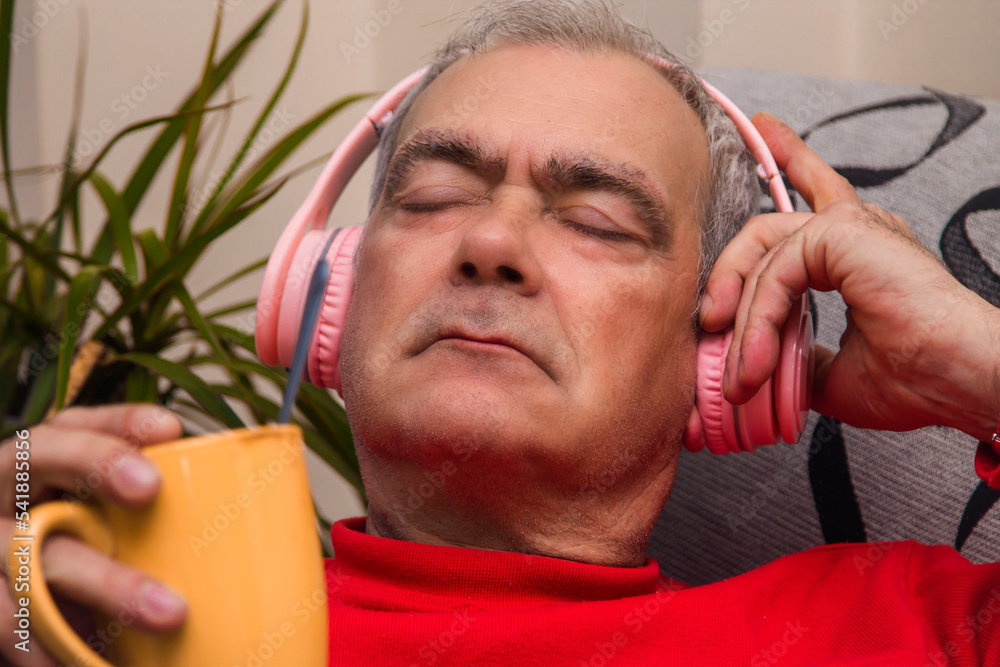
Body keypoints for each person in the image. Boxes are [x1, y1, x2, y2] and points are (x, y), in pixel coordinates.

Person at [3, 0, 1000, 664]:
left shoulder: (895, 625)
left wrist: (978, 366)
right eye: (433, 196)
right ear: (331, 301)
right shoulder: (124, 624)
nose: (489, 241)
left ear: (719, 351)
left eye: (597, 220)